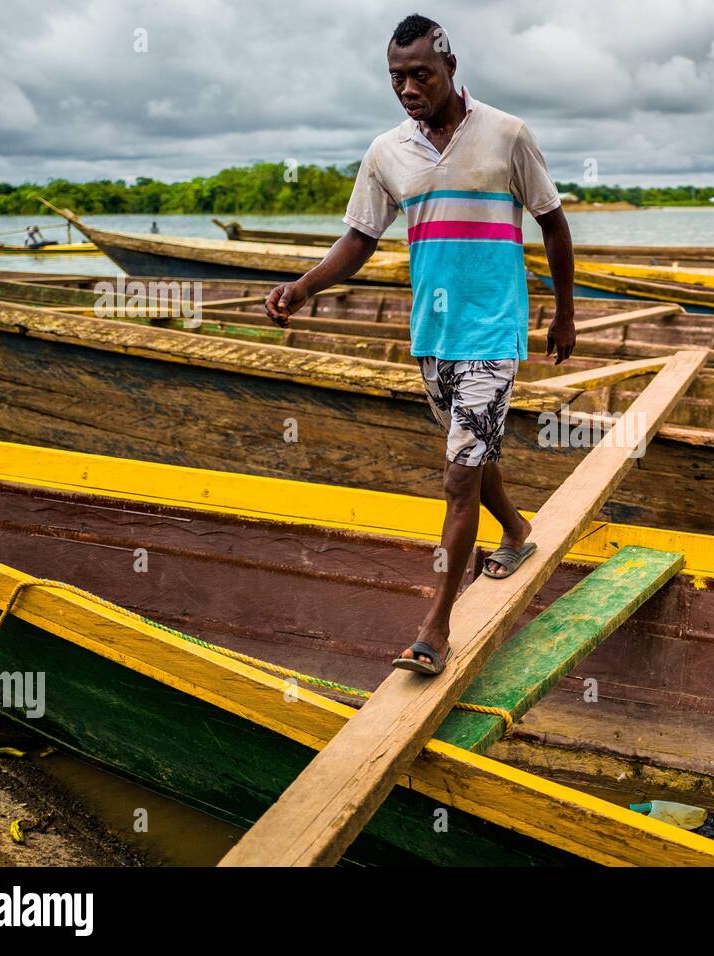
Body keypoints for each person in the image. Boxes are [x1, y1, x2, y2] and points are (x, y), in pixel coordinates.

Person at [263, 14, 576, 676]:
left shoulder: (508, 136)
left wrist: (564, 315)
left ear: (451, 67)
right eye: (396, 77)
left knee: (459, 474)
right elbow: (358, 241)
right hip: (431, 337)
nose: (408, 88)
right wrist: (302, 287)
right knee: (473, 450)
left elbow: (553, 224)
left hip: (492, 331)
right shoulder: (387, 153)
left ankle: (436, 628)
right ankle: (517, 531)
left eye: (421, 74)